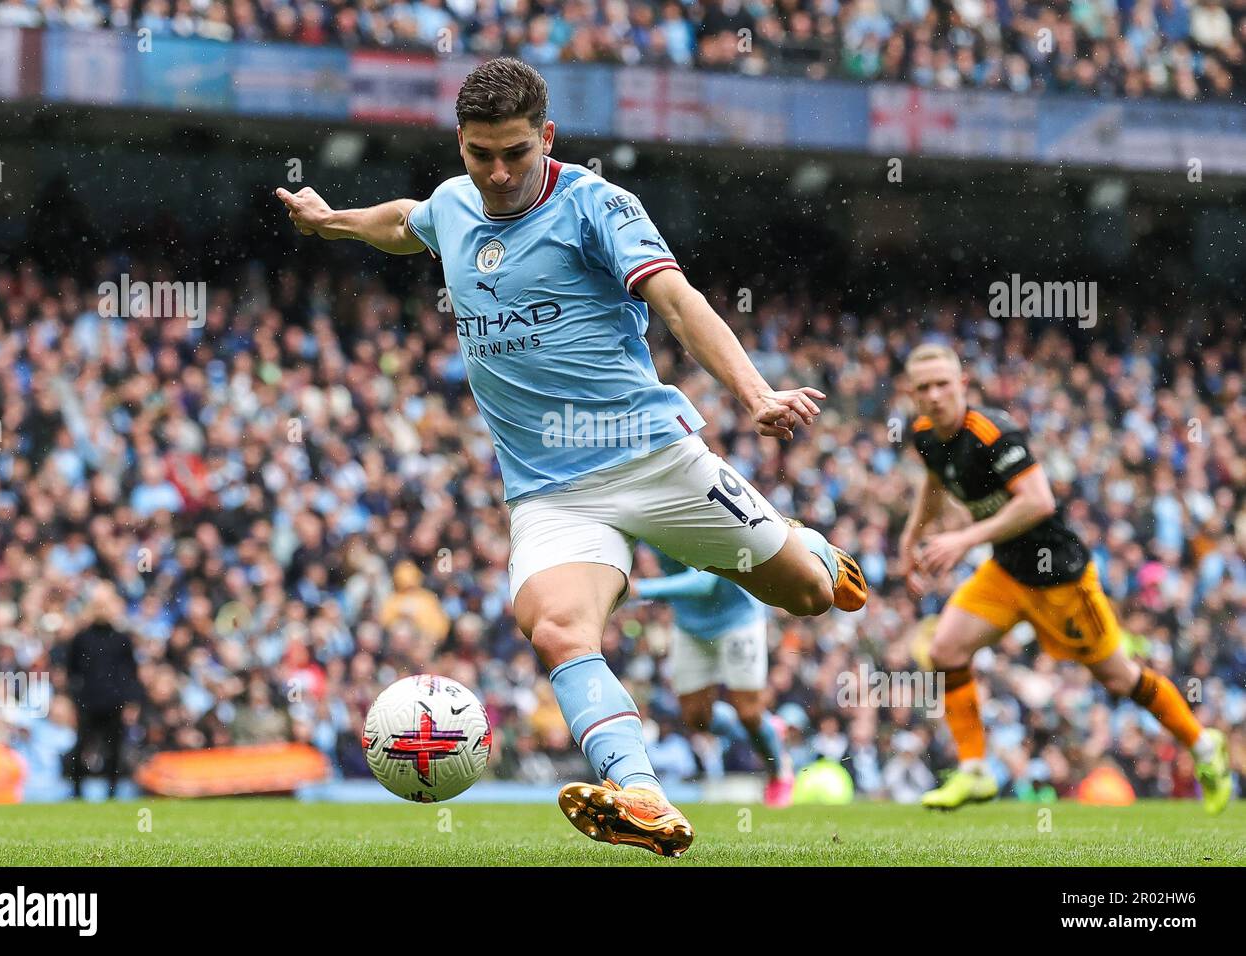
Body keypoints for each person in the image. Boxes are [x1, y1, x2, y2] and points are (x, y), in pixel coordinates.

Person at [276, 56, 867, 856]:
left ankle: (805, 543)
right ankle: (644, 796)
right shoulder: (456, 204)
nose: (496, 172)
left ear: (546, 137)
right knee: (557, 628)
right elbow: (407, 222)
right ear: (460, 143)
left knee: (806, 595)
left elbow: (678, 303)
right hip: (550, 494)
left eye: (515, 152)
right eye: (479, 153)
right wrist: (333, 221)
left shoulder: (597, 205)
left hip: (655, 461)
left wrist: (754, 394)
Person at [898, 343, 1230, 813]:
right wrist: (912, 536)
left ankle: (1202, 746)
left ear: (962, 386)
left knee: (1120, 679)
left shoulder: (994, 432)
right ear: (912, 394)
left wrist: (965, 539)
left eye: (942, 384)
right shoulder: (925, 435)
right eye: (923, 388)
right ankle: (974, 772)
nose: (933, 395)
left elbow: (1038, 501)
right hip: (1007, 573)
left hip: (1062, 579)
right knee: (946, 649)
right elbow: (934, 482)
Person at [630, 545, 794, 806]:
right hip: (689, 626)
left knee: (748, 713)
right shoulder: (644, 519)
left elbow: (704, 583)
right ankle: (768, 729)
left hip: (736, 619)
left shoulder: (698, 515)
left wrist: (641, 589)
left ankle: (779, 771)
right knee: (697, 718)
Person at [65, 582, 139, 799]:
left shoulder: (121, 640)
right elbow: (72, 672)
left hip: (114, 702)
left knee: (114, 749)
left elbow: (129, 674)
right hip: (88, 702)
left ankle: (112, 792)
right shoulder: (81, 639)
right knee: (81, 747)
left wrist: (131, 702)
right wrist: (74, 700)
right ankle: (77, 792)